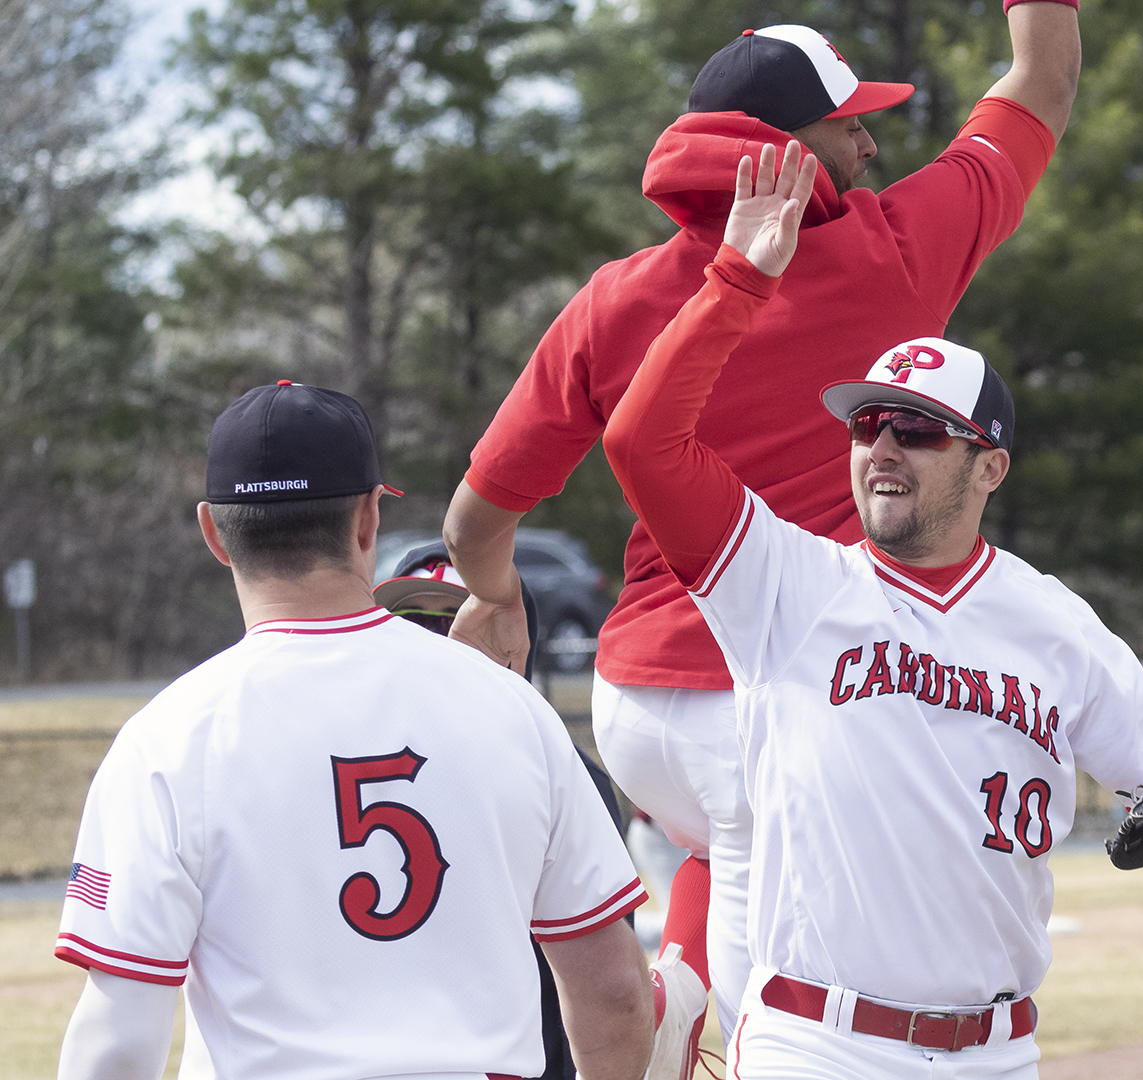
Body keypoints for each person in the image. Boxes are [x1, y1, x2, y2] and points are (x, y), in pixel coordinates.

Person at [441, 7, 1082, 1068]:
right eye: (849, 126)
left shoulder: (614, 298)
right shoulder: (893, 254)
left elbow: (474, 522)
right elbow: (1044, 80)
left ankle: (677, 992)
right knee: (788, 1032)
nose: (870, 146)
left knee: (712, 866)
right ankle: (684, 1020)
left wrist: (497, 597)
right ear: (785, 153)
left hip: (638, 708)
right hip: (773, 712)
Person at [602, 141, 1143, 1078]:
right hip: (818, 1042)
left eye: (920, 428)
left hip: (999, 1054)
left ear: (990, 467)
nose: (883, 446)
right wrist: (736, 282)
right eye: (866, 424)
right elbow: (644, 445)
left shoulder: (1054, 624)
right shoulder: (786, 585)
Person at [54, 382, 653, 1080]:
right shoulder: (514, 710)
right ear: (369, 520)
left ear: (215, 533)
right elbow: (614, 995)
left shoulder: (166, 739)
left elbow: (120, 1038)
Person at [373, 545, 634, 1080]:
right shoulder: (343, 767)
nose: (437, 644)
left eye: (454, 622)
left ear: (517, 640)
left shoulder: (566, 775)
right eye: (413, 624)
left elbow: (601, 990)